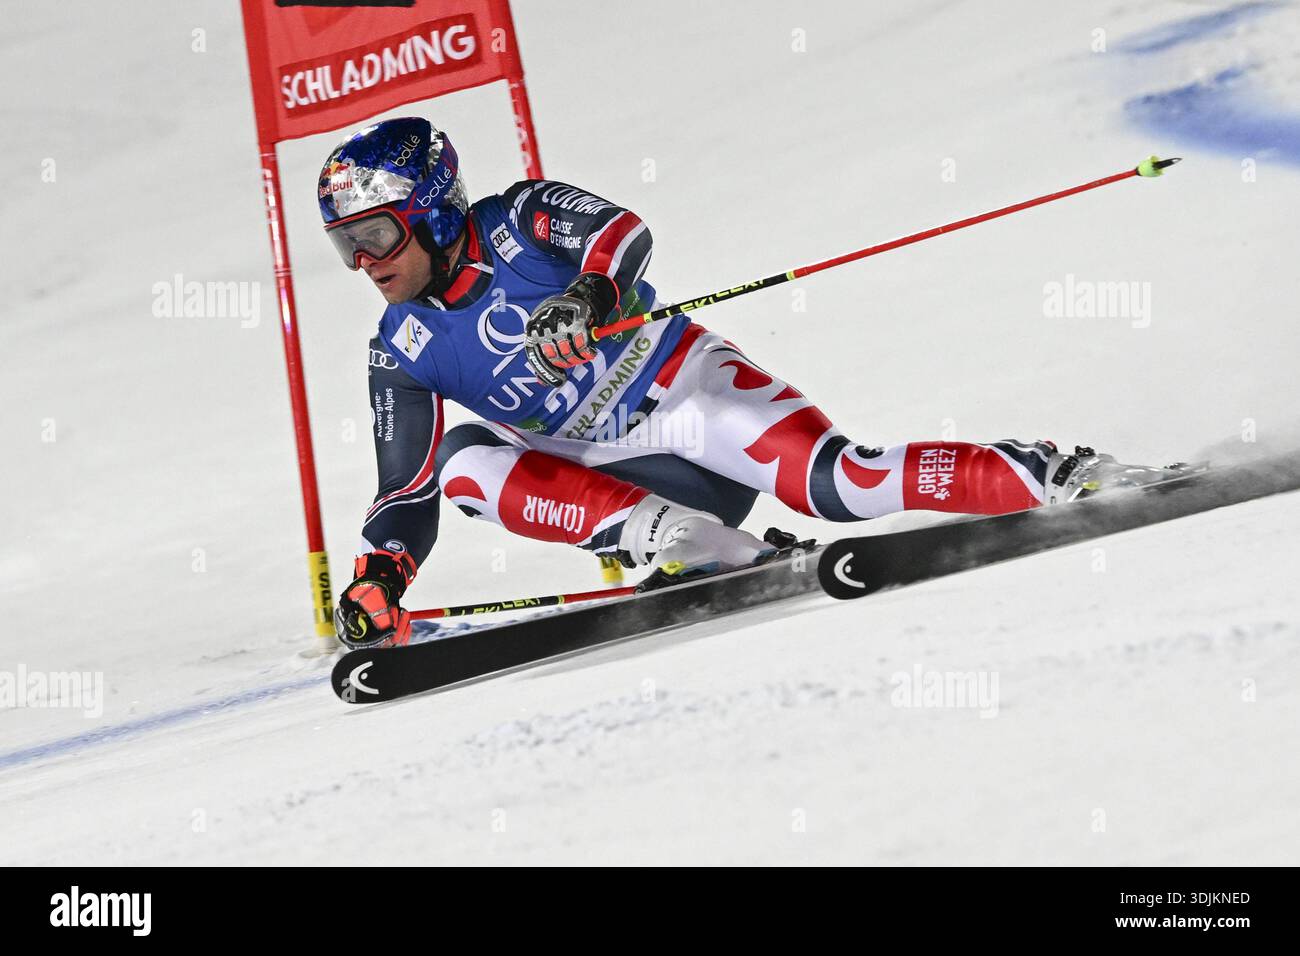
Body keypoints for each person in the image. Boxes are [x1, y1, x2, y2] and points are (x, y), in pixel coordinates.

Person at [321, 117, 1173, 649]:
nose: (364, 263)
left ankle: (1053, 474)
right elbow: (407, 485)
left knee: (839, 483)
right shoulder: (400, 346)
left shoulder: (517, 218)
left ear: (431, 208)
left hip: (685, 395)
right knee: (465, 464)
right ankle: (698, 548)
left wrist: (587, 292)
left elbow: (621, 233)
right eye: (345, 245)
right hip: (616, 476)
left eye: (377, 235)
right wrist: (380, 578)